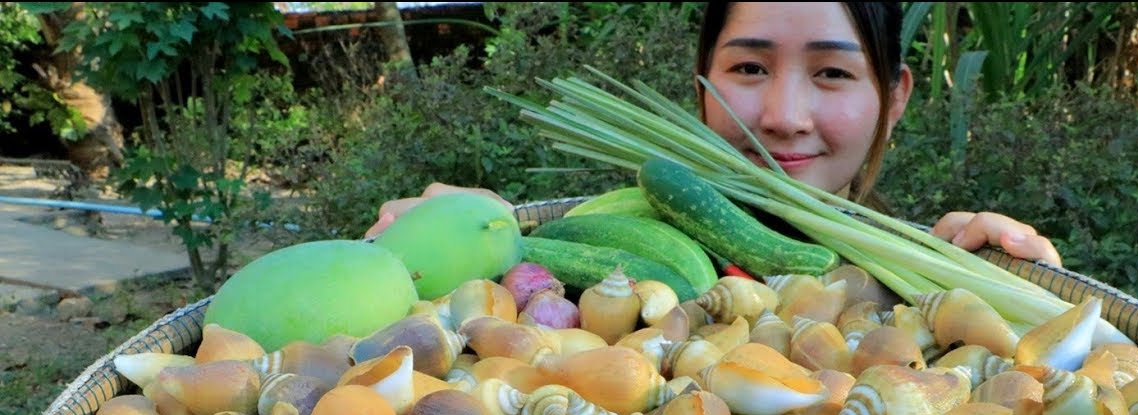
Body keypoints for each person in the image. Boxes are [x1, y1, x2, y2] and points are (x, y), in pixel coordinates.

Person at [363, 1, 1062, 268]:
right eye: (750, 67)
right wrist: (482, 235)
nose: (784, 115)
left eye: (833, 74)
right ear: (702, 85)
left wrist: (1015, 285)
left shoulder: (921, 281)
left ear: (894, 96)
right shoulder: (608, 254)